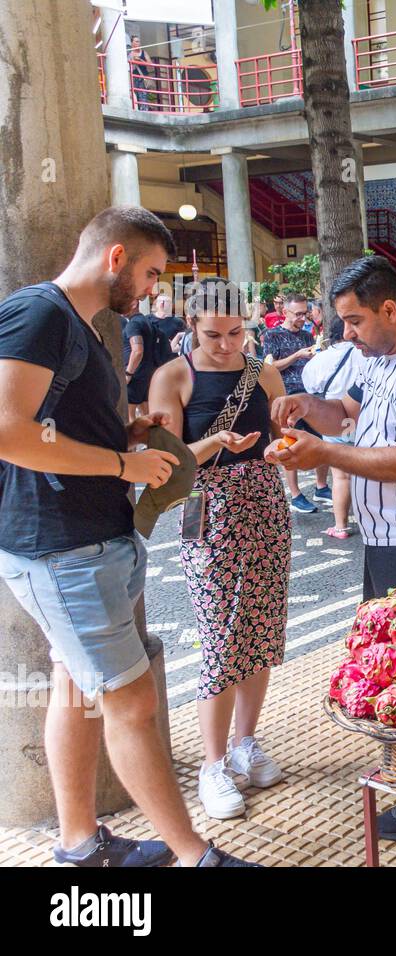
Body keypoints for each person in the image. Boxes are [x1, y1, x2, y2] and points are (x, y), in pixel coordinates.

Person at [0, 205, 254, 866]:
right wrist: (122, 464)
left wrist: (126, 436)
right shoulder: (41, 313)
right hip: (63, 546)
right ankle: (197, 856)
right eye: (148, 273)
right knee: (133, 704)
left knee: (79, 688)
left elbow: (52, 426)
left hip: (81, 539)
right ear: (116, 258)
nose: (150, 290)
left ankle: (81, 846)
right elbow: (7, 430)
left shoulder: (75, 321)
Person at [266, 255, 396, 841]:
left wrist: (322, 455)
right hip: (387, 535)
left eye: (354, 321)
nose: (347, 334)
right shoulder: (377, 358)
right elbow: (346, 414)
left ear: (390, 309)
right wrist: (309, 410)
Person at [148, 280, 290, 821]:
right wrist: (215, 444)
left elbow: (280, 434)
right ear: (190, 327)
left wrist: (286, 443)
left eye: (237, 332)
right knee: (221, 635)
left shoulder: (263, 370)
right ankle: (212, 764)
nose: (227, 344)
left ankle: (245, 744)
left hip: (266, 505)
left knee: (260, 629)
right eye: (214, 334)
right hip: (209, 512)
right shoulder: (174, 376)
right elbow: (166, 464)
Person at [262, 292, 329, 513]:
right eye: (298, 313)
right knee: (289, 443)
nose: (303, 318)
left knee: (320, 439)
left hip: (310, 393)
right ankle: (296, 494)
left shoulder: (308, 335)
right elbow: (270, 367)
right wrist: (297, 356)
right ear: (285, 313)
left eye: (305, 313)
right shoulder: (272, 335)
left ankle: (321, 486)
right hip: (287, 395)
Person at [301, 318, 362, 539]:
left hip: (334, 421)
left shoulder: (321, 359)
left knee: (341, 477)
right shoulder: (367, 354)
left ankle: (341, 526)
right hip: (363, 418)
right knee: (373, 472)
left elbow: (310, 385)